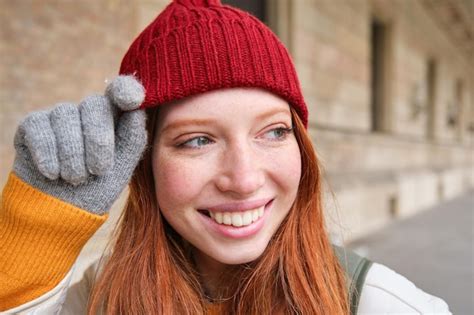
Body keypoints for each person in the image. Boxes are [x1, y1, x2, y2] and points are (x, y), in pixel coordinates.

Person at [0, 0, 451, 314]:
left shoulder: (376, 302)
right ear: (143, 164)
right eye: (197, 140)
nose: (244, 178)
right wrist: (35, 230)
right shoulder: (103, 294)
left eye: (274, 131)